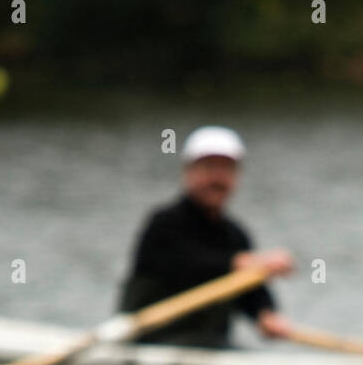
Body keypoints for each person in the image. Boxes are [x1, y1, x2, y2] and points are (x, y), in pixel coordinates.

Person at [118, 126, 296, 347]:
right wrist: (242, 263)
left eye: (227, 169)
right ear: (188, 171)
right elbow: (186, 264)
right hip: (150, 341)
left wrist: (265, 314)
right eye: (209, 167)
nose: (217, 179)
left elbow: (249, 291)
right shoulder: (163, 223)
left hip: (208, 344)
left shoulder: (236, 235)